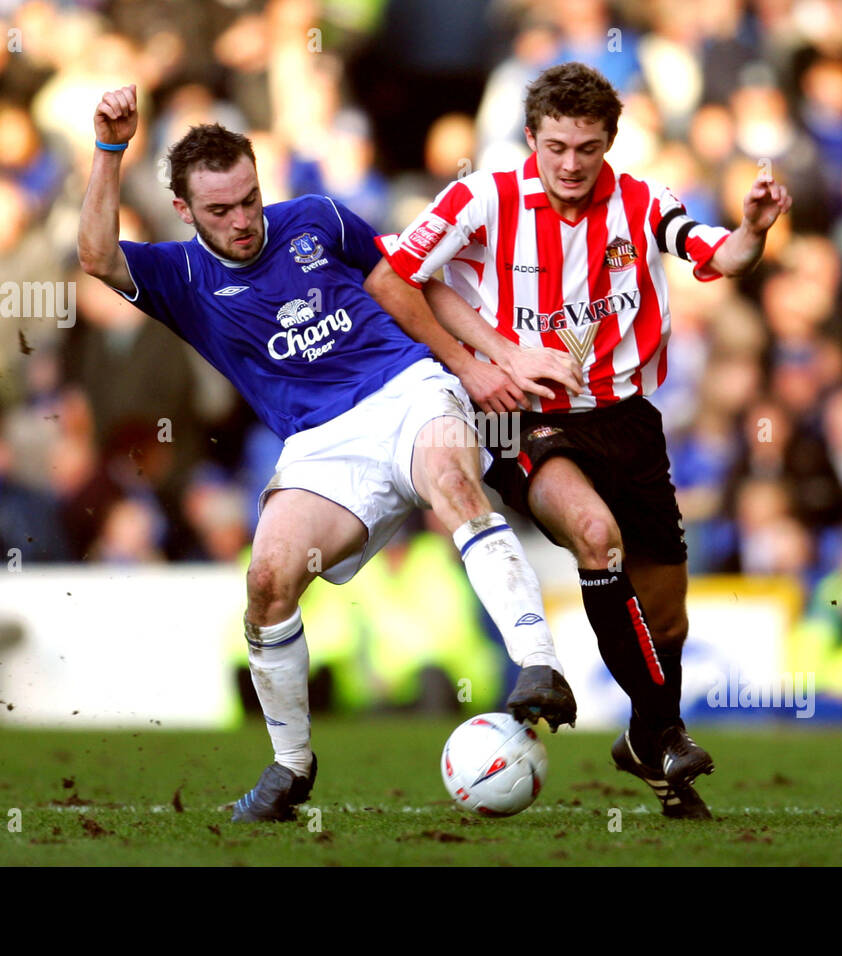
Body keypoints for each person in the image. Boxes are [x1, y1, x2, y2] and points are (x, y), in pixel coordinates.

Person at [78, 86, 584, 822]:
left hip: (406, 388)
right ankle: (290, 767)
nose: (243, 220)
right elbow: (95, 254)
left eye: (250, 199)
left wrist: (469, 366)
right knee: (268, 581)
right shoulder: (181, 276)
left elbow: (404, 288)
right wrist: (109, 149)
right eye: (220, 211)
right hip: (319, 445)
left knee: (452, 479)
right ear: (186, 212)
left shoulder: (317, 219)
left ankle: (540, 664)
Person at [373, 62, 792, 819]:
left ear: (609, 143)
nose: (571, 165)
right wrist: (485, 359)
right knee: (596, 535)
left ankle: (645, 745)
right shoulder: (481, 198)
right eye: (557, 146)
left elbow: (719, 256)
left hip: (626, 418)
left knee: (667, 619)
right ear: (530, 136)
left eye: (588, 148)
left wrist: (755, 229)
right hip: (521, 413)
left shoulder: (641, 202)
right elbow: (393, 277)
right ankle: (665, 734)